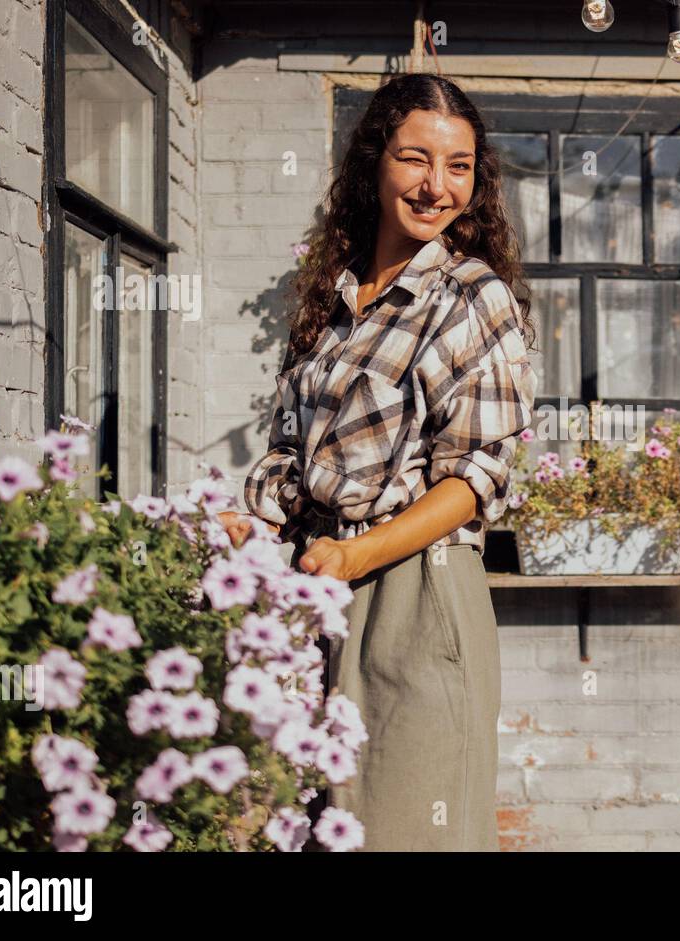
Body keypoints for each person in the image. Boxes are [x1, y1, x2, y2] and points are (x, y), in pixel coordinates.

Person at [219, 73, 537, 851]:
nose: (437, 186)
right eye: (415, 158)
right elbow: (291, 459)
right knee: (320, 829)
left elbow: (475, 477)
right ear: (374, 162)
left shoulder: (470, 297)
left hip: (416, 595)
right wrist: (249, 525)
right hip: (317, 592)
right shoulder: (335, 300)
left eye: (459, 166)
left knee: (407, 829)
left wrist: (357, 550)